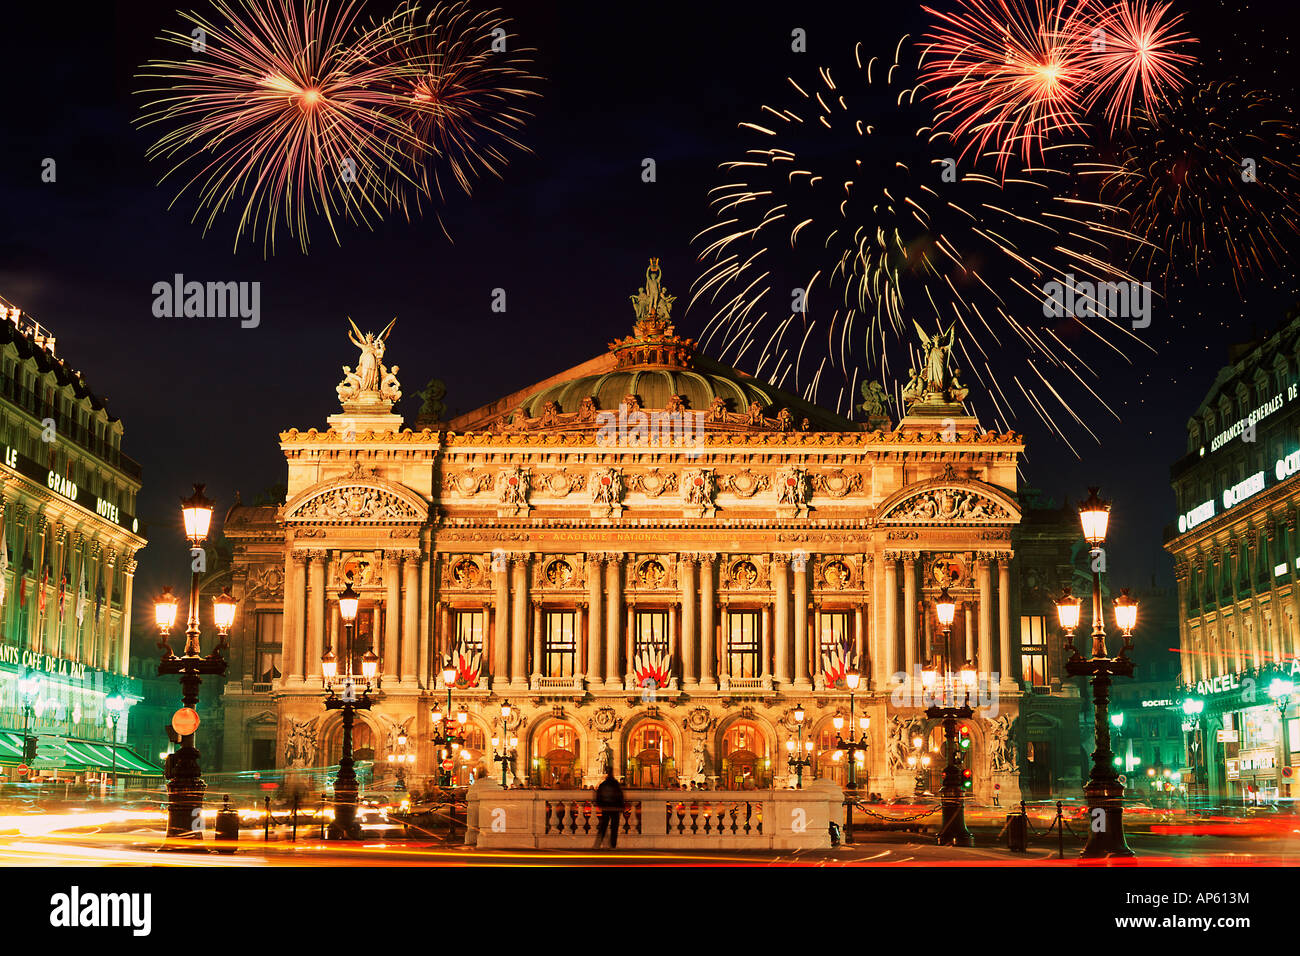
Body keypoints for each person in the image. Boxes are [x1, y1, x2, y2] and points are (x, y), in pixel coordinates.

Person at [593, 771, 626, 849]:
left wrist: (599, 804)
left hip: (606, 808)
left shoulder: (603, 784)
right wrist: (621, 806)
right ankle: (613, 844)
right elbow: (620, 796)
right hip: (615, 808)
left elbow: (599, 795)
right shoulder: (616, 785)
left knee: (603, 826)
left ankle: (598, 843)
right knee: (614, 827)